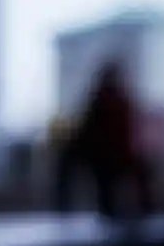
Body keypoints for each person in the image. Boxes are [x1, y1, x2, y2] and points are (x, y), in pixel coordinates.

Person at [55, 62, 154, 221]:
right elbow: (86, 132)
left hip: (111, 155)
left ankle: (133, 213)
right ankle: (66, 211)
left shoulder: (118, 102)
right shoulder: (100, 101)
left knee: (110, 171)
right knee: (79, 165)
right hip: (100, 153)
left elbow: (123, 138)